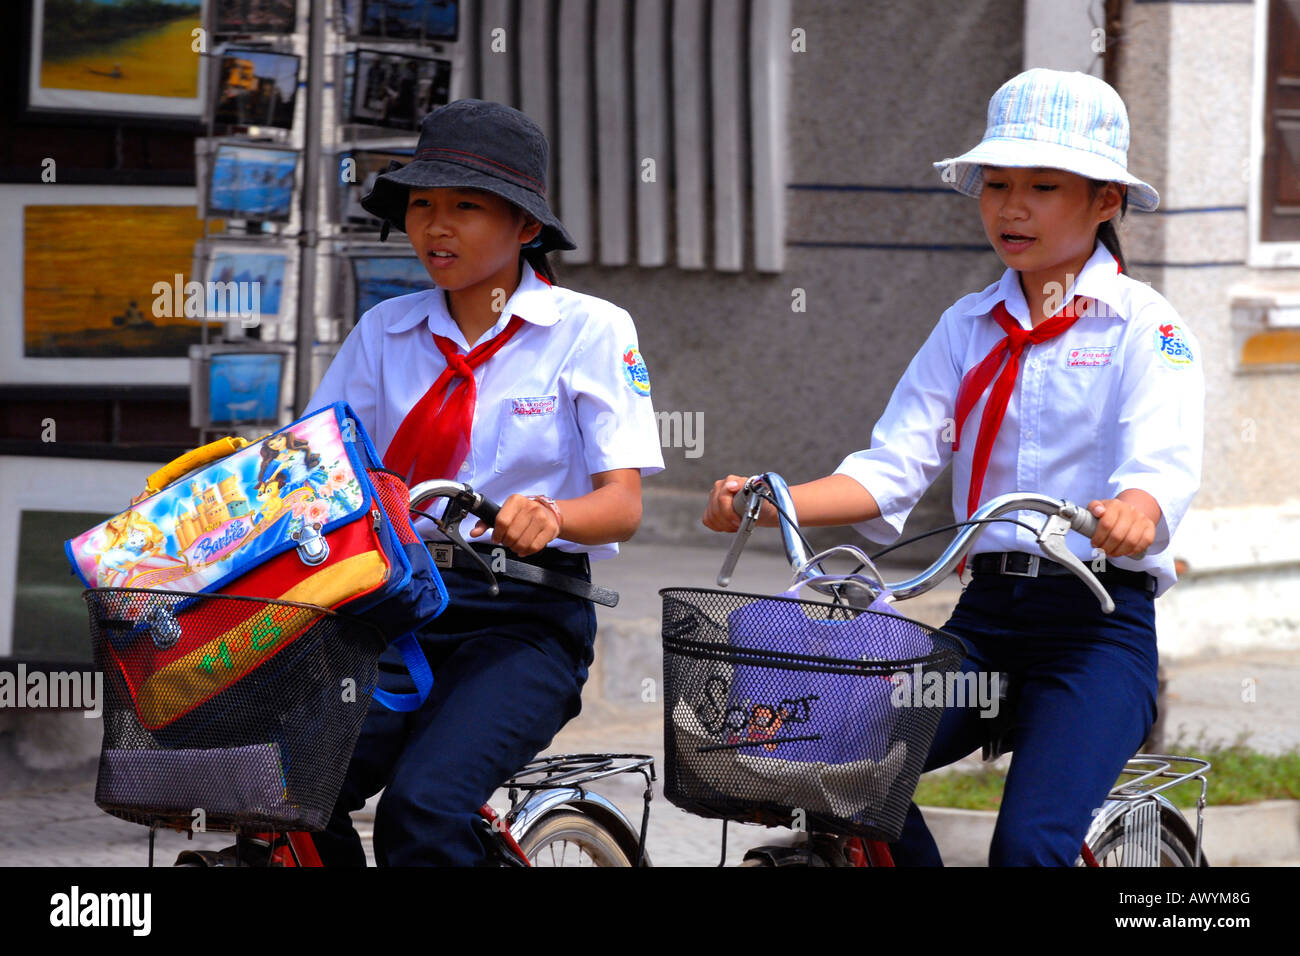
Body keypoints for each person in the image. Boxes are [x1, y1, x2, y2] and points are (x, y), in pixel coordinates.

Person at [702, 69, 1204, 866]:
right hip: (984, 624)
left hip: (1096, 632)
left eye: (1043, 186)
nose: (1011, 207)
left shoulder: (1146, 327)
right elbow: (892, 465)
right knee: (835, 769)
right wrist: (777, 499)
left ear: (1106, 200)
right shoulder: (968, 327)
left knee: (1029, 847)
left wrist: (1138, 507)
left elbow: (1163, 462)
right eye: (996, 184)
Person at [306, 99, 664, 866]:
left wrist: (552, 514)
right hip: (395, 606)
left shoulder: (590, 329)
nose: (437, 226)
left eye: (465, 207)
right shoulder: (385, 330)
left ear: (525, 227)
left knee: (423, 810)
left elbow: (623, 505)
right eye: (422, 206)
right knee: (290, 789)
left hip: (525, 613)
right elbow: (317, 465)